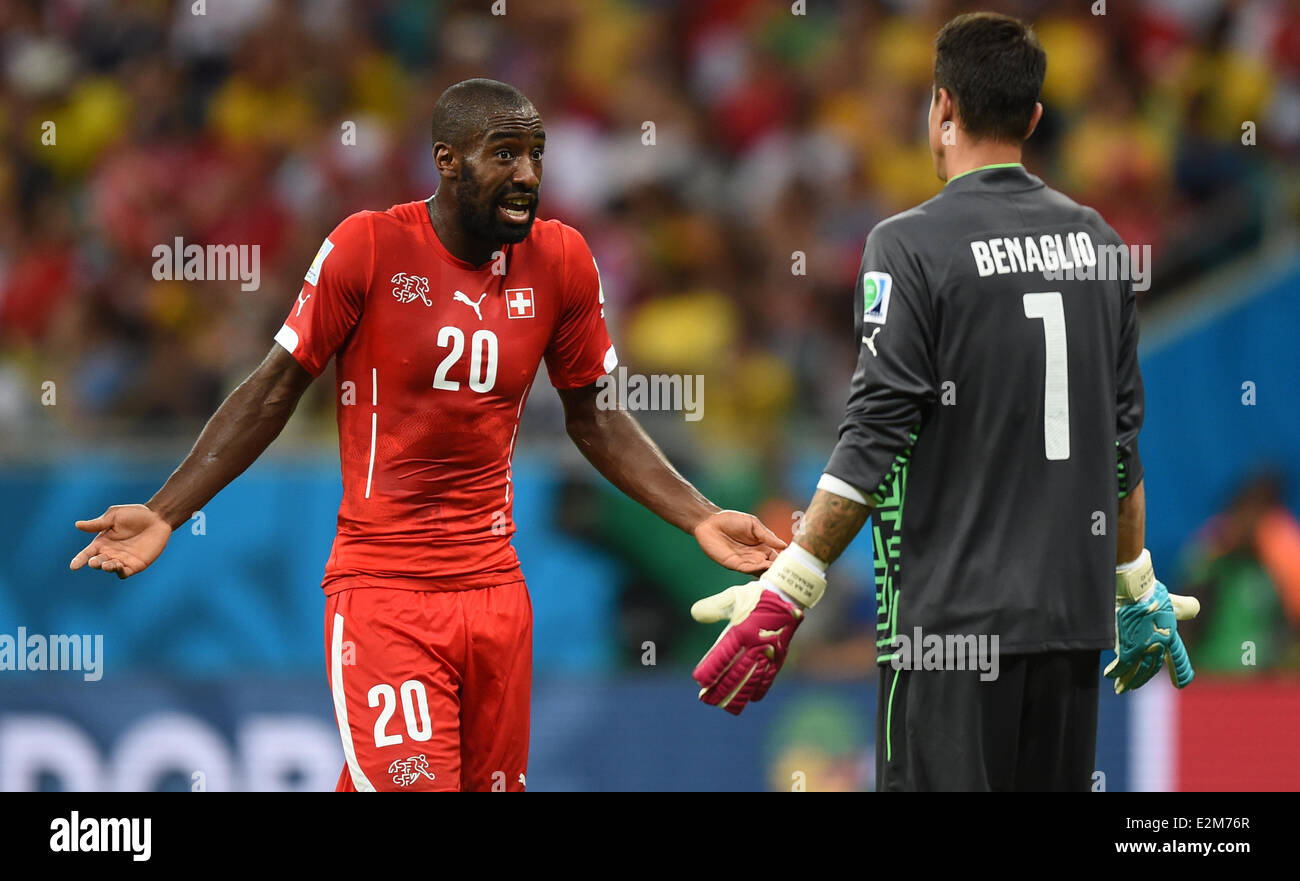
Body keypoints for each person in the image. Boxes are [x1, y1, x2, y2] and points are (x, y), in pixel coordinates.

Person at [69, 78, 785, 792]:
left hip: (497, 595)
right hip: (386, 591)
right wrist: (167, 509)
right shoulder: (368, 247)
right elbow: (272, 388)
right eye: (506, 154)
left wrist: (698, 515)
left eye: (536, 154)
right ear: (448, 160)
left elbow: (595, 414)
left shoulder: (561, 260)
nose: (528, 175)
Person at [688, 12, 1199, 792]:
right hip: (1068, 628)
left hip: (949, 633)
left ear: (942, 105)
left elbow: (878, 425)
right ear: (1032, 117)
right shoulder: (1099, 242)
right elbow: (1120, 437)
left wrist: (792, 580)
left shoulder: (908, 244)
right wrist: (1134, 578)